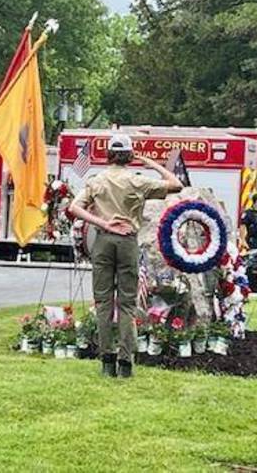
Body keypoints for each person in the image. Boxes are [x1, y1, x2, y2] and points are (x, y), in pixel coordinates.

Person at [69, 134, 183, 379]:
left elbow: (74, 208)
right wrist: (150, 162)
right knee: (127, 303)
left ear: (109, 154)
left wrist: (103, 223)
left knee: (103, 303)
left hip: (102, 241)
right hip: (127, 242)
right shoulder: (137, 181)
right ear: (129, 156)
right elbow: (176, 184)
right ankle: (125, 362)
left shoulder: (96, 181)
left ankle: (106, 360)